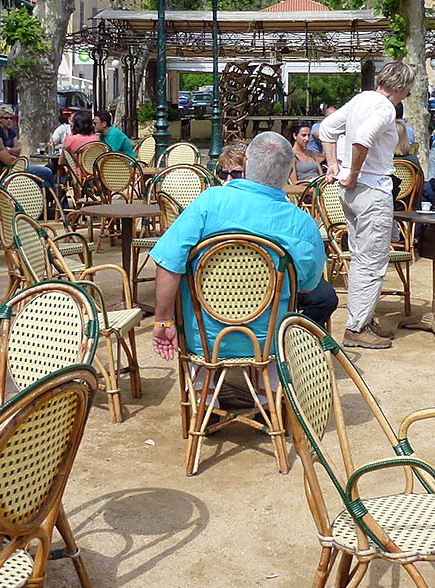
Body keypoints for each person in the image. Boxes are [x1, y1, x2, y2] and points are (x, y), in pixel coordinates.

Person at [150, 132, 336, 372]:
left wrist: (163, 320)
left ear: (247, 164)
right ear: (290, 169)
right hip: (271, 343)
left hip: (206, 341)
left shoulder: (208, 202)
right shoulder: (303, 224)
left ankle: (206, 399)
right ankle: (267, 395)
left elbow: (167, 261)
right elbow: (308, 287)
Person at [320, 61, 416, 349]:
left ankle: (363, 316)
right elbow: (363, 139)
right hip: (371, 190)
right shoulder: (386, 108)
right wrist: (352, 173)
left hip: (351, 193)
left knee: (361, 257)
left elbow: (326, 129)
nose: (407, 97)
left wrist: (335, 166)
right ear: (400, 88)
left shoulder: (360, 99)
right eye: (407, 91)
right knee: (371, 261)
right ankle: (357, 327)